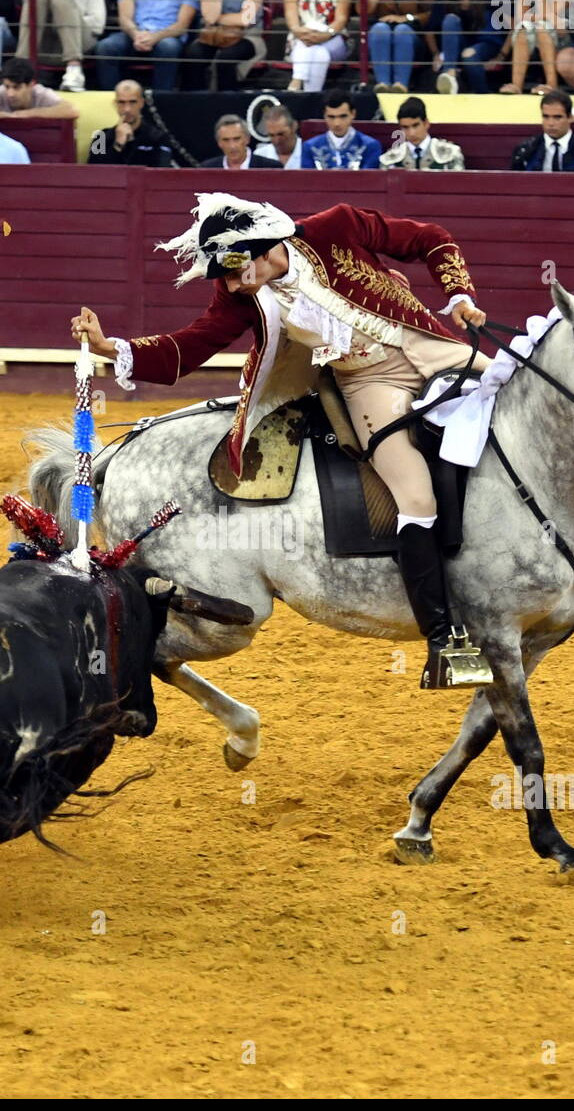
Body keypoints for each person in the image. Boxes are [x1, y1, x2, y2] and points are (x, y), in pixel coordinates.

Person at [70, 193, 497, 689]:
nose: (229, 283)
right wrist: (111, 348)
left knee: (523, 408)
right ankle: (444, 639)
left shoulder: (337, 226)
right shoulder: (240, 295)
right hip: (370, 385)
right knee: (415, 495)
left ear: (263, 248)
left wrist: (459, 295)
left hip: (434, 348)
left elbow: (430, 239)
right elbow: (193, 344)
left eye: (232, 269)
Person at [92, 0, 200, 91]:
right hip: (134, 31)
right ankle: (111, 101)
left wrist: (155, 37)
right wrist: (137, 35)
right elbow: (125, 19)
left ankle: (162, 101)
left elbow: (182, 25)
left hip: (168, 34)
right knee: (106, 47)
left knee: (168, 48)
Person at [17, 0, 106, 92]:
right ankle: (20, 67)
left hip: (80, 44)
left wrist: (68, 18)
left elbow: (97, 25)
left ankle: (74, 69)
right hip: (46, 47)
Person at [185, 0, 266, 90]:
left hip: (246, 35)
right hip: (212, 35)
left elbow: (246, 19)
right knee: (194, 54)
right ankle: (196, 102)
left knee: (226, 58)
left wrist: (218, 18)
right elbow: (210, 18)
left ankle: (227, 103)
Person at [499, 0, 574, 94]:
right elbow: (520, 18)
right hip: (533, 35)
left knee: (542, 28)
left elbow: (551, 13)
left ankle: (552, 85)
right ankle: (516, 85)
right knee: (523, 28)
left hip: (561, 37)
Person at [430, 0, 503, 95]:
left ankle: (482, 94)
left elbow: (510, 26)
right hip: (456, 45)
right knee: (450, 20)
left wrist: (502, 55)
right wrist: (436, 54)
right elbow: (430, 30)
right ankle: (449, 75)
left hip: (487, 42)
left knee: (469, 57)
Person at [283, 0, 353, 92]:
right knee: (320, 53)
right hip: (301, 38)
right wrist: (299, 31)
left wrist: (326, 34)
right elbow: (291, 18)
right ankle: (313, 95)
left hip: (333, 38)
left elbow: (341, 19)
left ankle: (297, 80)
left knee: (313, 27)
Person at [510, 88, 574, 169]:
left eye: (557, 117)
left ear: (570, 117)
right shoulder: (526, 149)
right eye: (546, 117)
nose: (551, 123)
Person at [367, 0, 436, 93]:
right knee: (380, 29)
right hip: (379, 38)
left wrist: (407, 18)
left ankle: (401, 85)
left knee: (402, 30)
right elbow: (364, 10)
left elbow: (432, 13)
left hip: (412, 39)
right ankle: (383, 84)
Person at [86, 77, 175, 164]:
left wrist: (131, 143)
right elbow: (94, 173)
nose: (127, 109)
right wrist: (118, 145)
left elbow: (162, 172)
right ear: (115, 104)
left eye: (132, 102)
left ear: (141, 103)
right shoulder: (100, 137)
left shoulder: (159, 137)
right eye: (121, 102)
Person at [301, 89, 383, 167]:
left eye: (343, 116)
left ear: (353, 114)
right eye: (331, 117)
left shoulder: (370, 146)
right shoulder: (310, 147)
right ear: (324, 116)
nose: (337, 123)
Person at [380, 95, 466, 168]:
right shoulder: (389, 159)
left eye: (415, 125)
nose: (411, 133)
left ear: (426, 123)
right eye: (405, 127)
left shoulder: (451, 153)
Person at [0, 57, 79, 119]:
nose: (10, 94)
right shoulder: (0, 92)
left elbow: (72, 111)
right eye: (7, 87)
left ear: (31, 85)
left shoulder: (41, 93)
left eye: (17, 87)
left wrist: (22, 114)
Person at [200, 114, 284, 167]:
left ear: (247, 139)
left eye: (237, 139)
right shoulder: (207, 168)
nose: (232, 146)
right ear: (219, 143)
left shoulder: (270, 167)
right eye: (226, 140)